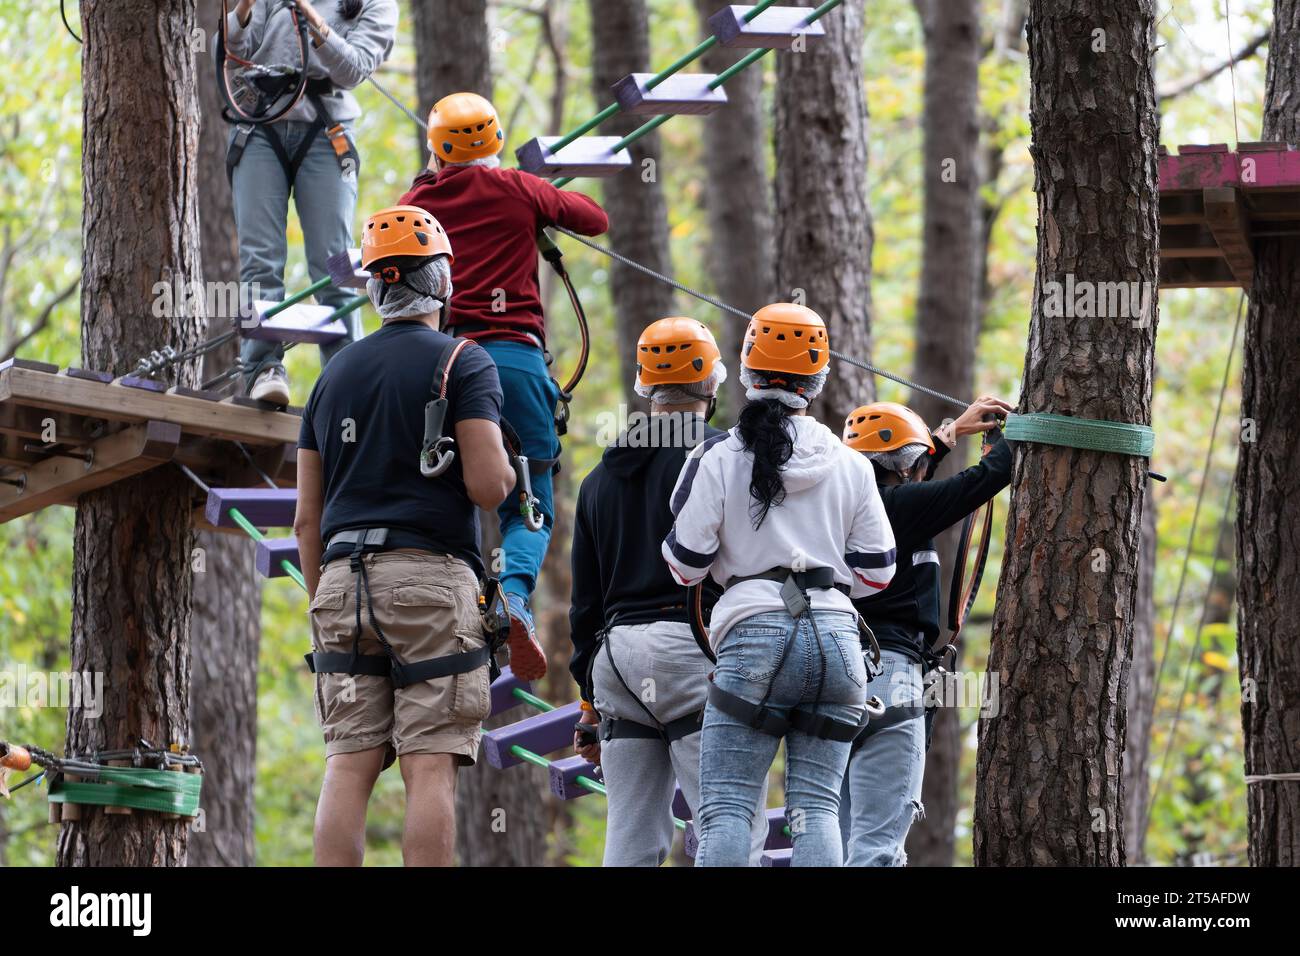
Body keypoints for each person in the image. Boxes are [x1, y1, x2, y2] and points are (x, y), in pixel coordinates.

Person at [294, 205, 516, 866]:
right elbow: (486, 485)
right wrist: (506, 463)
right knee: (430, 764)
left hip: (339, 581)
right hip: (428, 579)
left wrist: (325, 601)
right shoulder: (462, 363)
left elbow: (307, 517)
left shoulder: (331, 376)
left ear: (374, 288)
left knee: (349, 763)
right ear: (443, 282)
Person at [661, 303, 897, 867]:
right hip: (839, 636)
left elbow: (685, 564)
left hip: (752, 635)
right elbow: (878, 571)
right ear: (819, 378)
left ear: (745, 368)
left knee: (726, 806)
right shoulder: (850, 462)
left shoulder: (716, 456)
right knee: (816, 807)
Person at [399, 92, 609, 676]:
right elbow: (594, 218)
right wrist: (544, 198)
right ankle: (513, 594)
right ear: (492, 144)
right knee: (531, 503)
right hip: (513, 359)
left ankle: (451, 607)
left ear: (437, 148)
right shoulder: (518, 188)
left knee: (448, 492)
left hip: (443, 365)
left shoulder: (420, 201)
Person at [568, 317, 768, 866]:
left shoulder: (598, 481)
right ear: (711, 384)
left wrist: (589, 700)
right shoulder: (728, 459)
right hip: (692, 652)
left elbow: (584, 605)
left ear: (644, 383)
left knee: (632, 838)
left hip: (617, 662)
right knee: (732, 825)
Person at [837, 397, 1014, 866]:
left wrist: (944, 437)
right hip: (889, 674)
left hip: (833, 674)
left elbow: (915, 490)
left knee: (836, 843)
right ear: (908, 466)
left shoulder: (845, 508)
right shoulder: (899, 505)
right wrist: (1017, 434)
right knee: (876, 848)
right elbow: (980, 482)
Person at [221, 0, 400, 405]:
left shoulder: (375, 4)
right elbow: (230, 53)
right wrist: (245, 9)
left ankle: (346, 378)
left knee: (334, 261)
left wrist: (311, 17)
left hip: (326, 129)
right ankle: (262, 368)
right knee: (260, 257)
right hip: (259, 127)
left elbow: (353, 69)